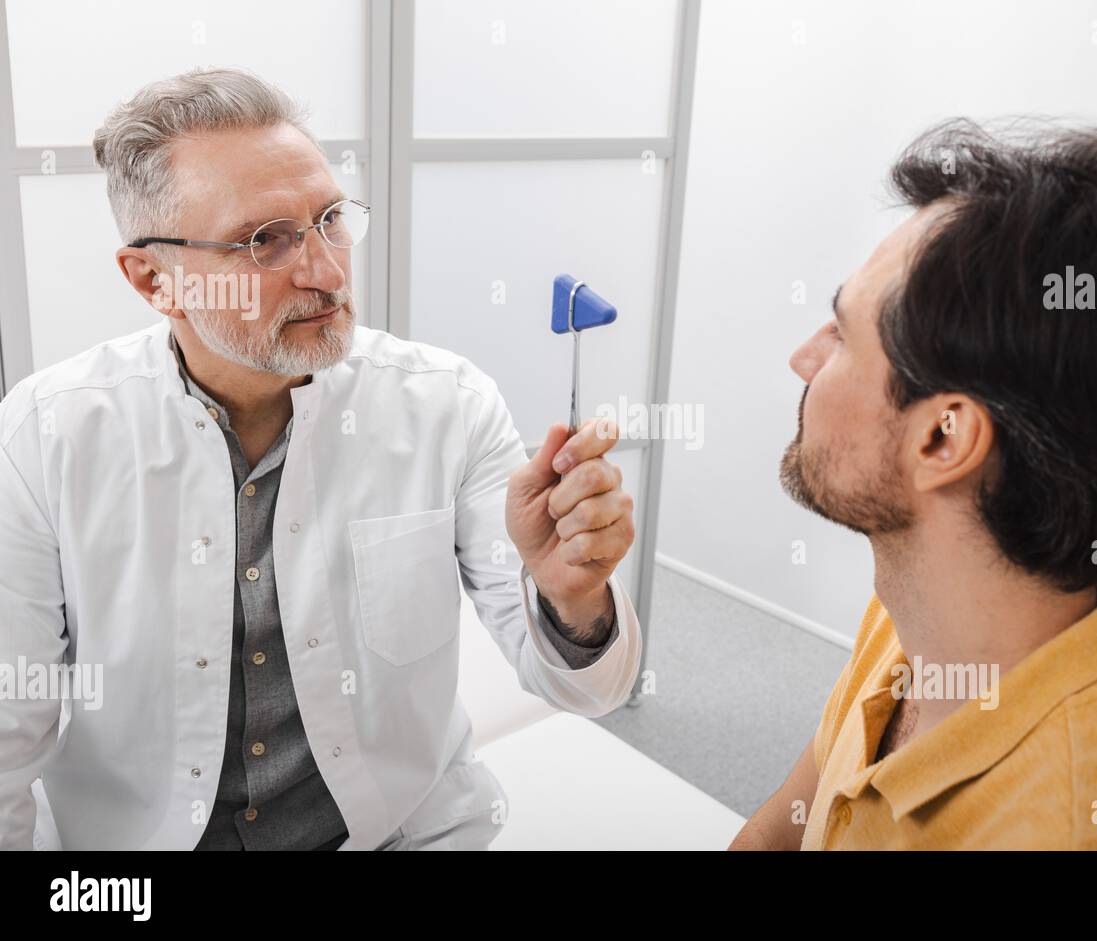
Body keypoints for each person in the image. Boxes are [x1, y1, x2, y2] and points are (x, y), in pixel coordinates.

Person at [0, 68, 640, 850]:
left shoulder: (445, 404)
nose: (328, 271)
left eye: (331, 219)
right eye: (264, 240)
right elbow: (6, 742)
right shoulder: (45, 436)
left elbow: (590, 689)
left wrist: (572, 600)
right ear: (152, 279)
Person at [731, 119, 1097, 850]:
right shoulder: (916, 615)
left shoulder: (1091, 830)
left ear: (943, 438)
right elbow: (781, 832)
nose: (803, 359)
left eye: (842, 335)